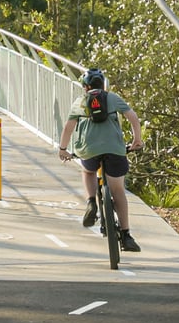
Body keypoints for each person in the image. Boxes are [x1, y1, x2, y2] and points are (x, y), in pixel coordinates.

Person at [57, 67, 144, 252]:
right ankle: (126, 235)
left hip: (89, 151)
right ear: (103, 85)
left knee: (87, 170)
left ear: (85, 87)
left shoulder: (80, 102)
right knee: (118, 190)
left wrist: (63, 149)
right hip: (115, 150)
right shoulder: (112, 98)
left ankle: (91, 202)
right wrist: (137, 140)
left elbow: (68, 128)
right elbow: (133, 118)